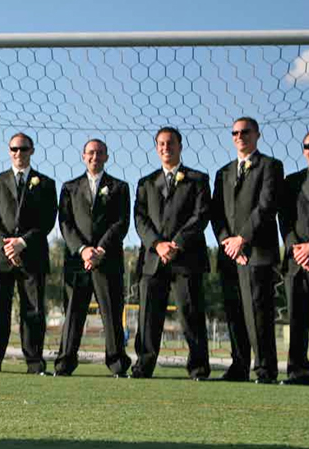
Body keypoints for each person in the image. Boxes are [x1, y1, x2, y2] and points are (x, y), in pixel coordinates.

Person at [131, 127, 211, 380]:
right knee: (148, 316)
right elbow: (140, 219)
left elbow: (200, 216)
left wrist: (175, 244)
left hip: (186, 259)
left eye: (171, 143)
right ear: (156, 148)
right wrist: (157, 244)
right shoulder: (145, 183)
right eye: (161, 144)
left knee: (191, 313)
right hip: (154, 260)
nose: (166, 147)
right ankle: (143, 366)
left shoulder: (198, 179)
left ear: (180, 146)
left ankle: (198, 367)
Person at [0, 133, 57, 374]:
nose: (18, 153)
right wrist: (6, 245)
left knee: (33, 311)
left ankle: (34, 362)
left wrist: (22, 242)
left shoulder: (46, 183)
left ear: (31, 151)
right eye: (14, 149)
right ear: (9, 151)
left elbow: (48, 219)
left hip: (32, 255)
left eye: (23, 149)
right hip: (0, 257)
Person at [211, 117, 283, 384]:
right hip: (230, 254)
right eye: (235, 132)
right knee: (235, 312)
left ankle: (265, 369)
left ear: (257, 135)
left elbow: (266, 206)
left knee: (259, 313)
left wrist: (243, 239)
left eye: (245, 132)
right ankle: (238, 366)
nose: (240, 136)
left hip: (257, 252)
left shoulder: (271, 166)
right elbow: (216, 212)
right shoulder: (224, 172)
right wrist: (227, 242)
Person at [54, 139, 131, 377]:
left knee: (111, 313)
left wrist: (99, 250)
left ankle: (117, 363)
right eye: (90, 152)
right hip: (78, 260)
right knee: (74, 312)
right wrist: (83, 249)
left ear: (106, 157)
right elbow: (65, 223)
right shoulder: (69, 187)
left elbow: (122, 222)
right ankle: (65, 362)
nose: (94, 156)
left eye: (99, 153)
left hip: (107, 260)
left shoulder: (119, 187)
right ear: (83, 156)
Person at [278, 130, 309, 385]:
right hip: (297, 260)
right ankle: (297, 370)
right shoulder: (292, 182)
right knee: (297, 318)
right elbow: (285, 220)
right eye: (308, 145)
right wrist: (296, 248)